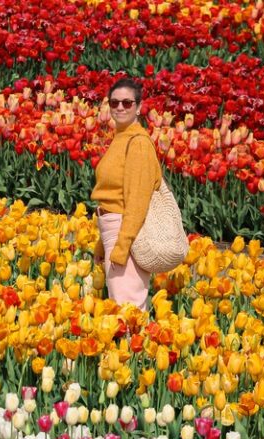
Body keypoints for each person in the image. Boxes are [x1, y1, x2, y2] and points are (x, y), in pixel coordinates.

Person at [91, 78, 161, 310]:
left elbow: (137, 202)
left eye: (127, 103)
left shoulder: (138, 143)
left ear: (139, 107)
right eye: (114, 102)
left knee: (127, 308)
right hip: (114, 229)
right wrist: (103, 243)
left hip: (127, 234)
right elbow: (115, 195)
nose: (120, 107)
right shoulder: (121, 137)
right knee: (121, 306)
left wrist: (121, 246)